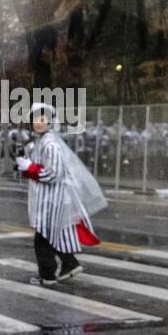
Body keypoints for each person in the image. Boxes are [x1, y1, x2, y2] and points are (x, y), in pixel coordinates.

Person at [14, 102, 107, 286]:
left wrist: (30, 167)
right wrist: (26, 166)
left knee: (43, 238)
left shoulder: (50, 144)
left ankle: (47, 275)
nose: (38, 123)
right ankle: (69, 264)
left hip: (52, 199)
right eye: (35, 119)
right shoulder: (43, 141)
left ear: (50, 122)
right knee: (55, 235)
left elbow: (54, 174)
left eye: (43, 119)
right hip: (48, 198)